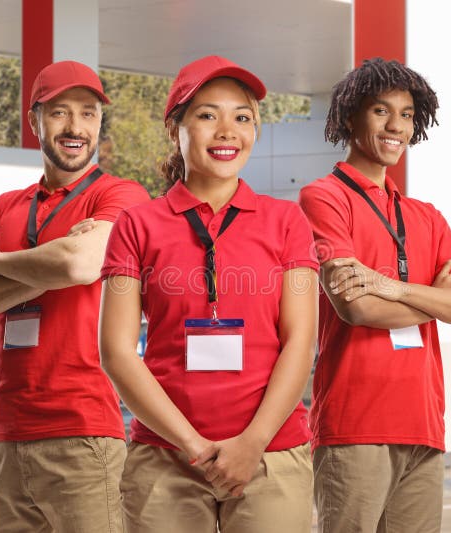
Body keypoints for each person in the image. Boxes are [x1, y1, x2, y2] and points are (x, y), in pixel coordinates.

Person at [99, 55, 318, 533]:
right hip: (165, 458)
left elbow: (300, 342)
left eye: (242, 118)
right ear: (174, 128)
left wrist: (252, 444)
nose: (227, 132)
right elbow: (116, 351)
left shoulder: (288, 222)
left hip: (271, 454)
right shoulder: (135, 225)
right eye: (207, 115)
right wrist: (195, 447)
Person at [0, 60, 150, 532]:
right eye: (60, 112)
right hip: (5, 431)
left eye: (88, 113)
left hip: (83, 429)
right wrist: (54, 265)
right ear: (34, 120)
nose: (76, 127)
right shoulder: (5, 206)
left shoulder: (121, 196)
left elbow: (79, 264)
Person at [298, 57, 451, 533]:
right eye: (381, 111)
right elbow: (357, 307)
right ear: (350, 118)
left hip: (424, 424)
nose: (396, 127)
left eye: (406, 115)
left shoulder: (427, 216)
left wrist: (392, 286)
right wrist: (436, 298)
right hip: (355, 425)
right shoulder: (324, 197)